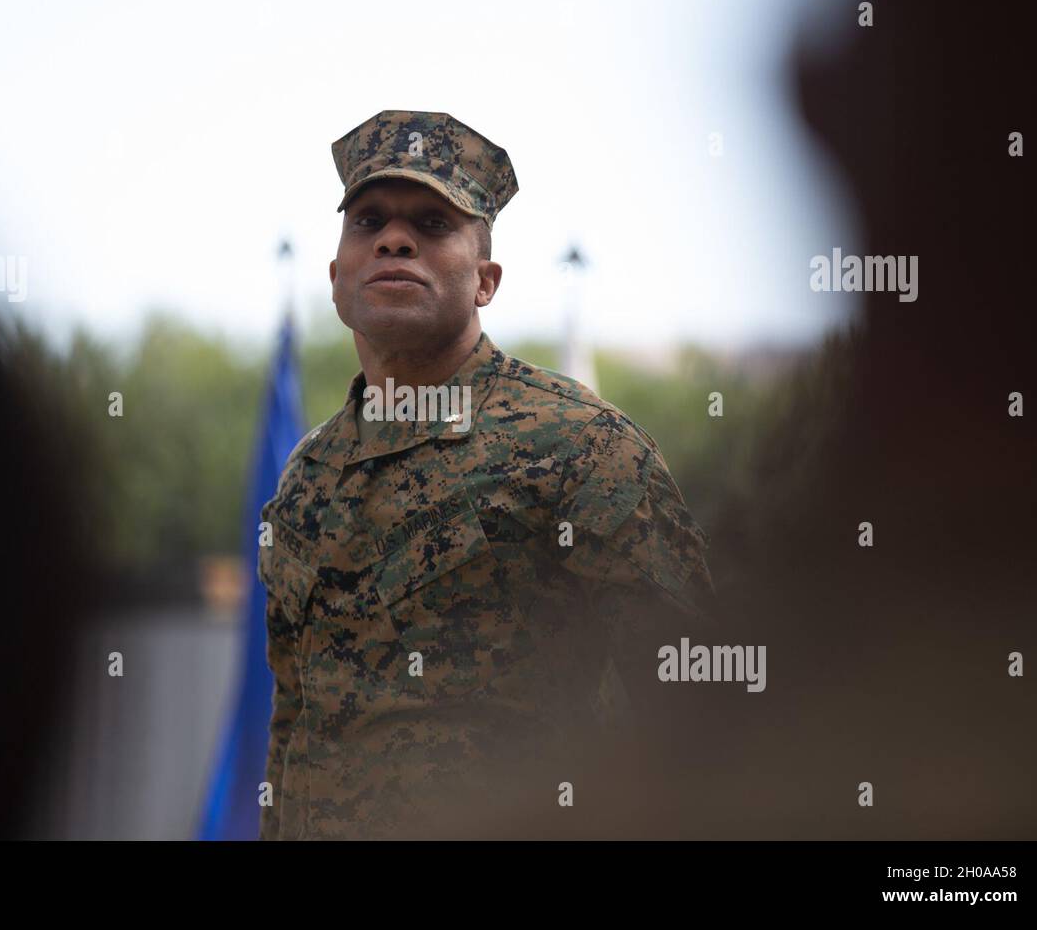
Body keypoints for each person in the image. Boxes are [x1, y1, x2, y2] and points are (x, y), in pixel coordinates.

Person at [257, 110, 715, 839]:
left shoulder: (581, 447)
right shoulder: (305, 481)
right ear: (338, 280)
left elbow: (698, 715)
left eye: (433, 224)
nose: (394, 238)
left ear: (486, 281)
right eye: (368, 220)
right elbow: (290, 727)